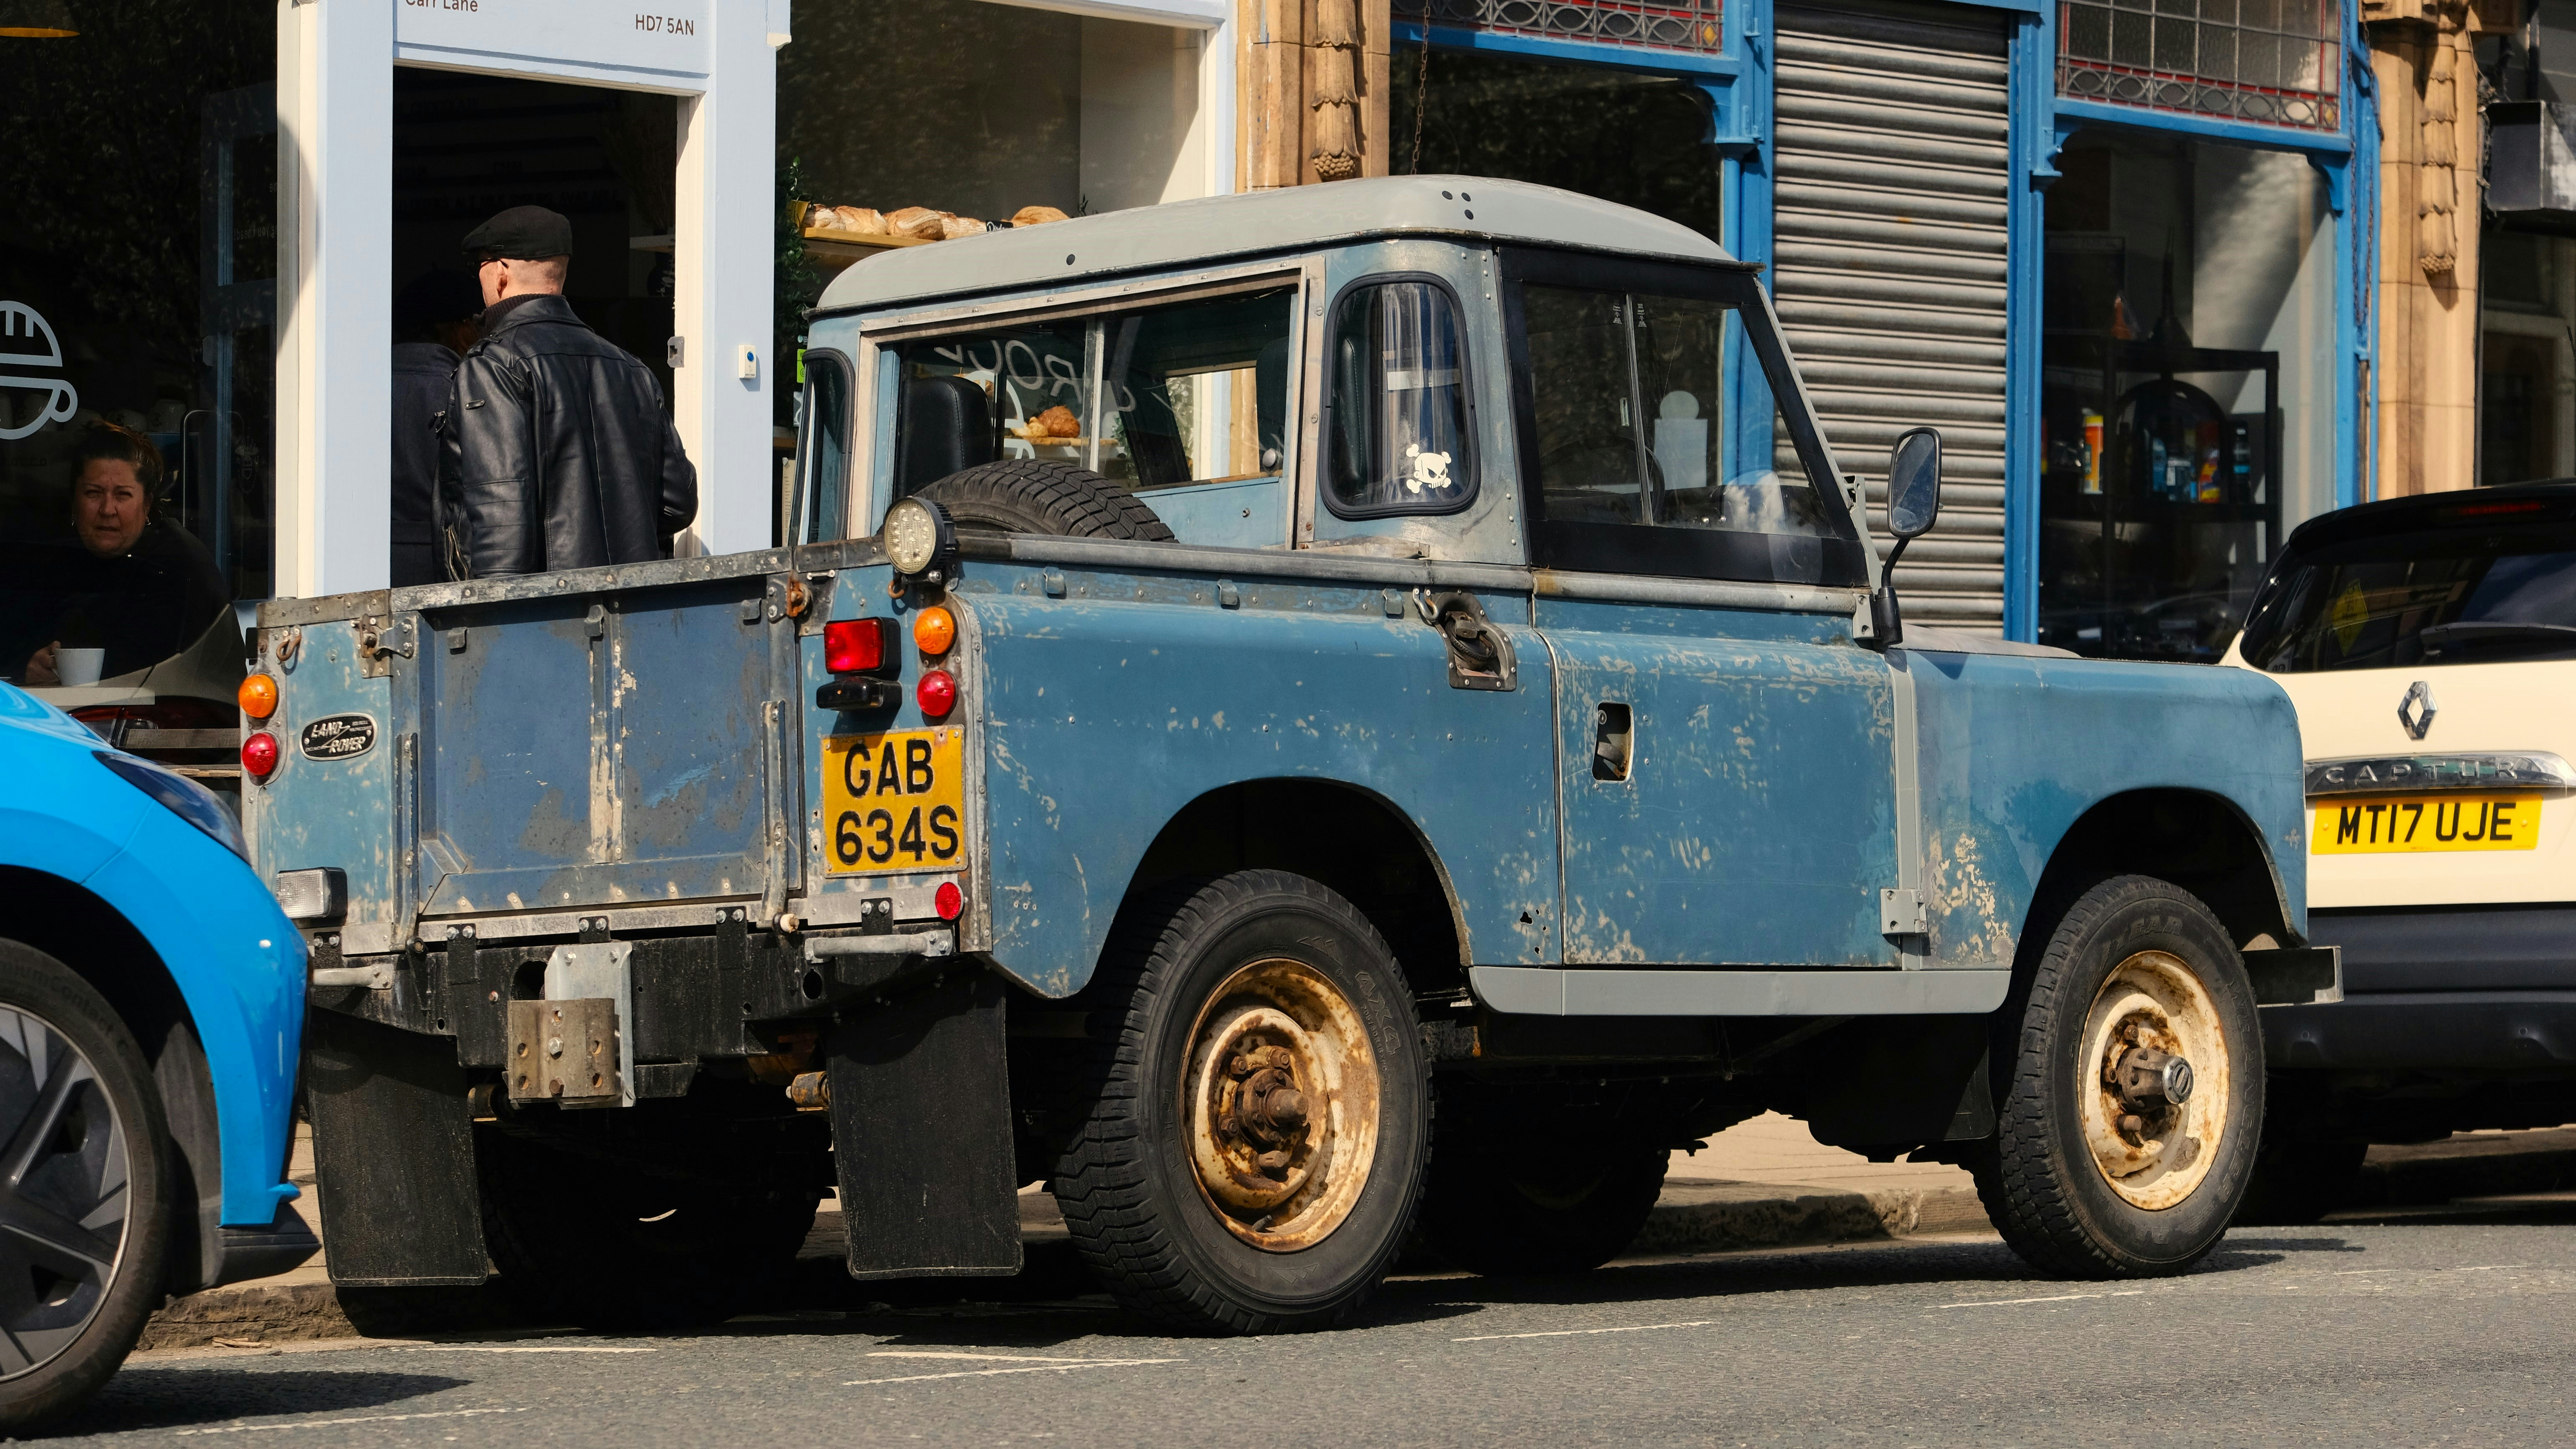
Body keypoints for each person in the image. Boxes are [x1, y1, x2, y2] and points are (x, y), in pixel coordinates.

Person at [437, 205, 697, 579]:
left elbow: (501, 532)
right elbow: (677, 503)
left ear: (500, 274)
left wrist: (492, 629)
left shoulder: (494, 367)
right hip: (634, 614)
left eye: (480, 265)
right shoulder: (631, 369)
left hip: (547, 622)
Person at [19, 422, 230, 684]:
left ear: (147, 504)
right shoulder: (69, 558)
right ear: (74, 501)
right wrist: (29, 664)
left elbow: (135, 676)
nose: (108, 509)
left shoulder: (172, 565)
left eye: (123, 495)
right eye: (94, 493)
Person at [391, 270, 483, 588]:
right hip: (443, 570)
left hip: (356, 569)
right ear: (459, 329)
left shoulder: (354, 391)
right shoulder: (468, 393)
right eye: (478, 324)